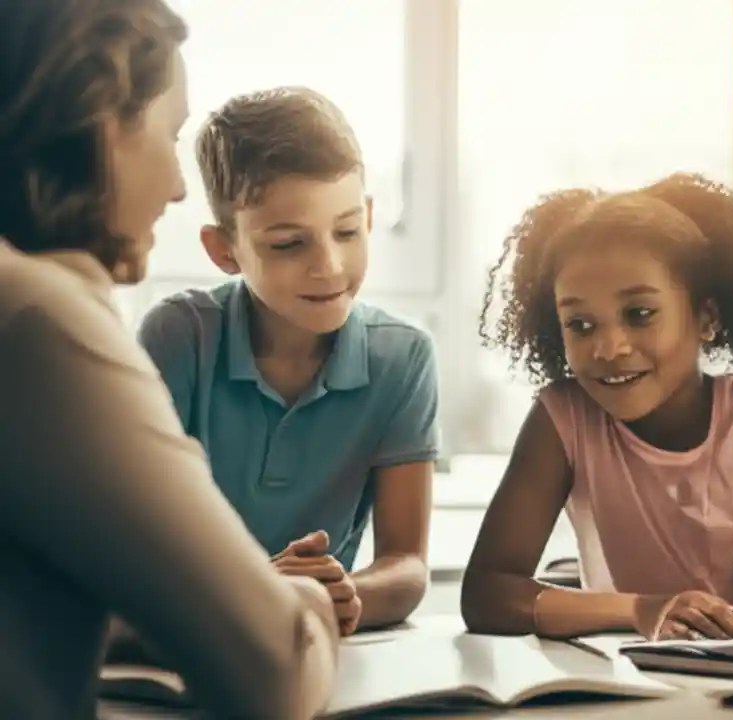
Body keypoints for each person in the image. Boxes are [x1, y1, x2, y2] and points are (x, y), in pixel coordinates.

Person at [0, 1, 337, 716]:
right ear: (101, 126)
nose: (179, 186)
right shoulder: (36, 319)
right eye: (169, 132)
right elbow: (275, 673)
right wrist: (302, 598)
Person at [462, 173, 733, 653]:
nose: (608, 347)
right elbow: (487, 594)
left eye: (640, 314)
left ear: (706, 318)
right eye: (581, 324)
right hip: (625, 692)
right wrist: (639, 609)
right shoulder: (562, 418)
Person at [138, 87, 438, 634]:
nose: (328, 266)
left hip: (316, 646)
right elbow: (135, 543)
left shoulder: (404, 357)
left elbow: (407, 567)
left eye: (347, 231)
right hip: (190, 633)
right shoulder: (179, 337)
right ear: (223, 250)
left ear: (369, 218)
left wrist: (339, 596)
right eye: (288, 244)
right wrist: (259, 589)